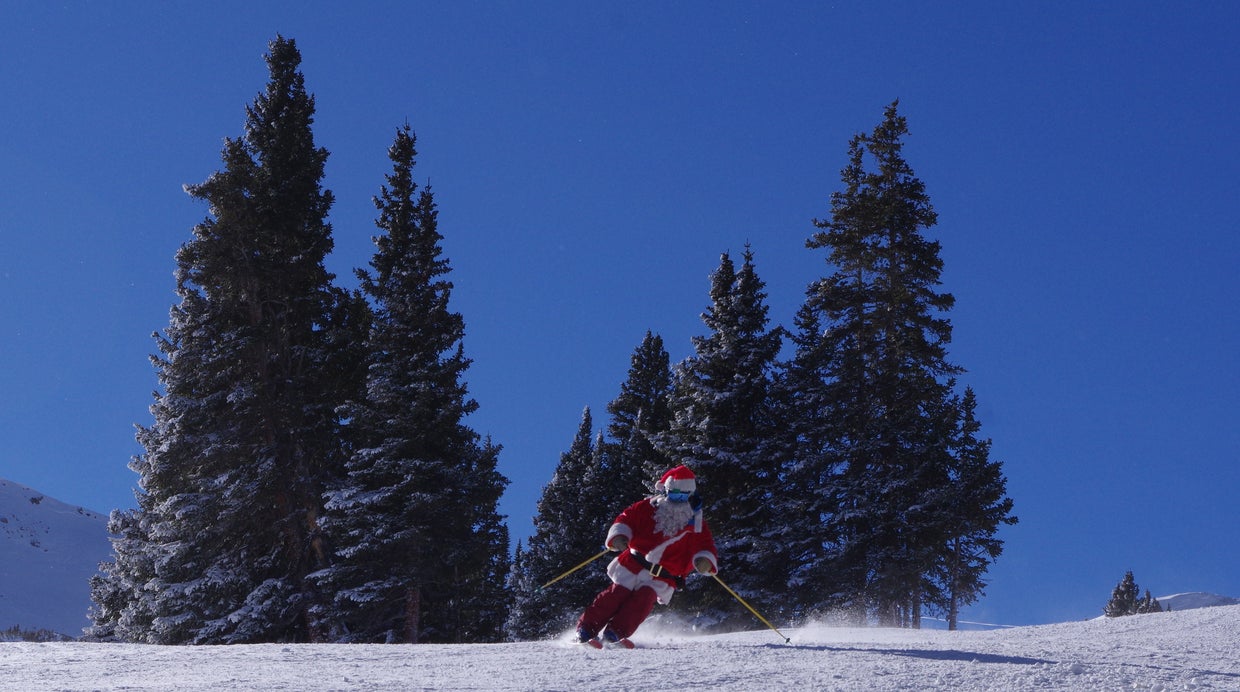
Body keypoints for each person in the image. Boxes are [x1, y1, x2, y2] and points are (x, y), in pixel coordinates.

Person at [575, 465, 718, 648]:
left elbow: (705, 545)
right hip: (634, 564)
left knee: (643, 601)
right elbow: (626, 519)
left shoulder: (696, 523)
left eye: (684, 496)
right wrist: (620, 536)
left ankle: (615, 634)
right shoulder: (647, 508)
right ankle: (586, 629)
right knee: (615, 595)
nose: (678, 501)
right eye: (675, 495)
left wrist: (704, 559)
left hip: (662, 575)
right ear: (666, 491)